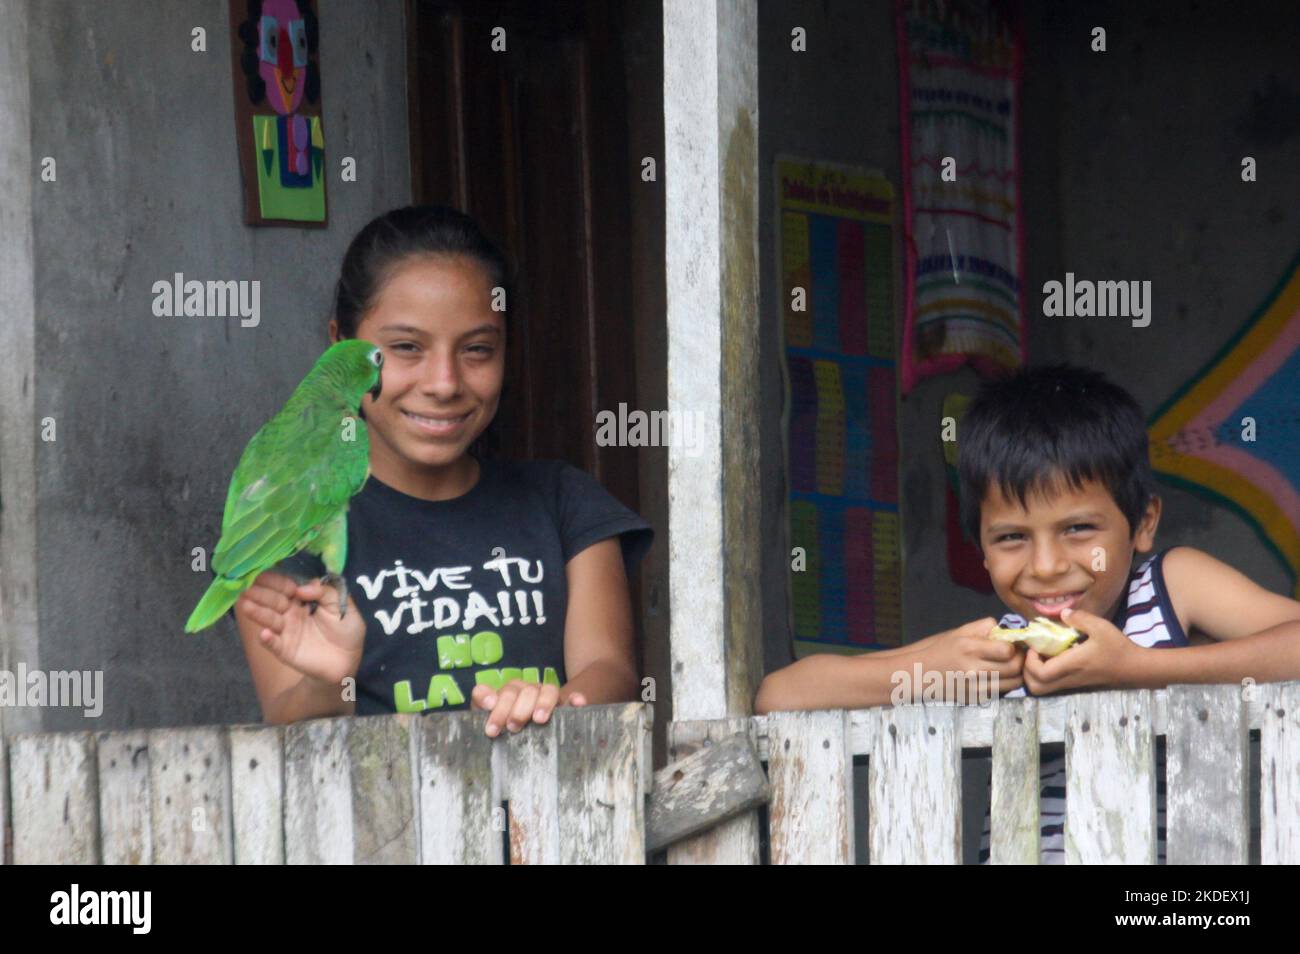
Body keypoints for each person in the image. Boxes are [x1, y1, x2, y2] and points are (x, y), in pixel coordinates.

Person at [756, 363, 1300, 860]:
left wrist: (1136, 668)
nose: (1045, 565)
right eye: (1013, 537)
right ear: (982, 550)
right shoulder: (993, 650)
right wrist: (930, 670)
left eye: (1077, 529)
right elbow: (781, 696)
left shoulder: (1169, 586)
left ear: (1142, 524)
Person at [231, 205, 653, 735]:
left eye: (477, 349)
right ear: (341, 345)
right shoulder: (280, 523)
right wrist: (328, 681)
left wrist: (553, 706)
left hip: (552, 811)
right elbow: (285, 722)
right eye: (406, 348)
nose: (445, 382)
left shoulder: (565, 504)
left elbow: (610, 671)